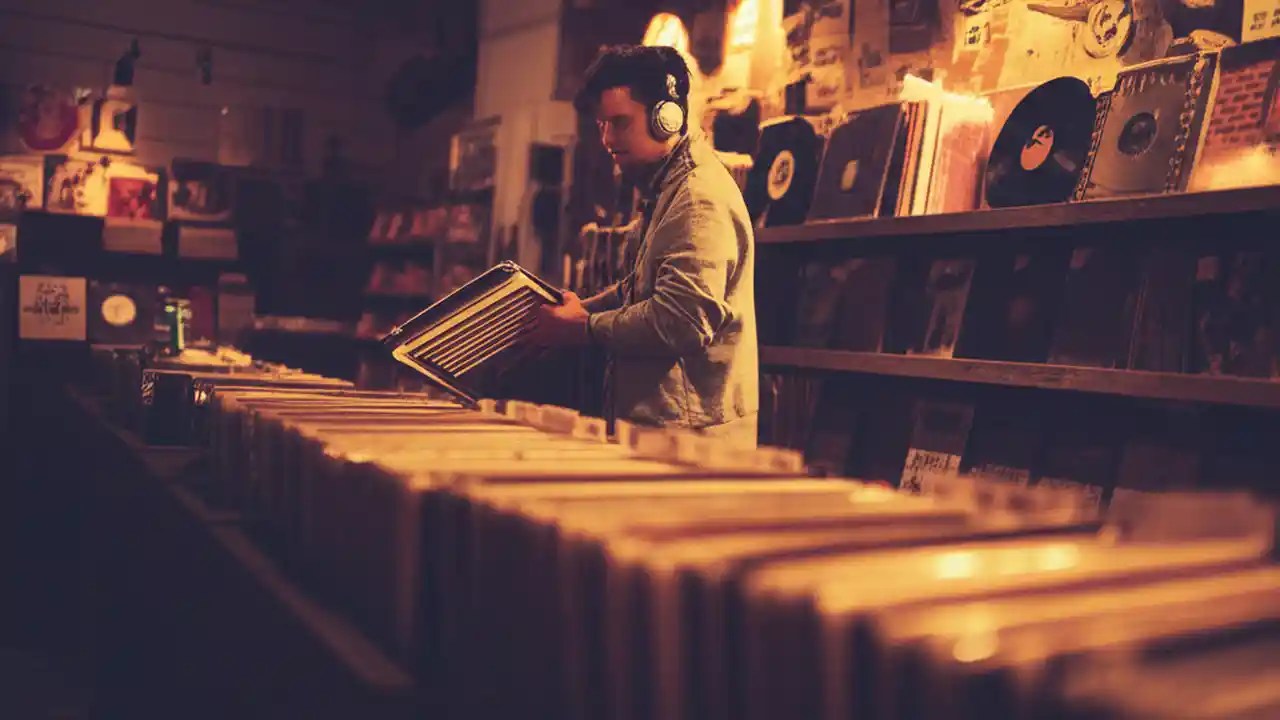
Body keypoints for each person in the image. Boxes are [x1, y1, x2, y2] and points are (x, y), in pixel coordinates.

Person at [530, 44, 759, 449]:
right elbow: (638, 289)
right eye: (601, 125)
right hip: (670, 435)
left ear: (666, 119)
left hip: (693, 446)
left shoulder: (697, 199)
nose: (607, 139)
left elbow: (682, 321)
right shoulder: (667, 189)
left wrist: (582, 328)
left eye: (620, 123)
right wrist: (584, 308)